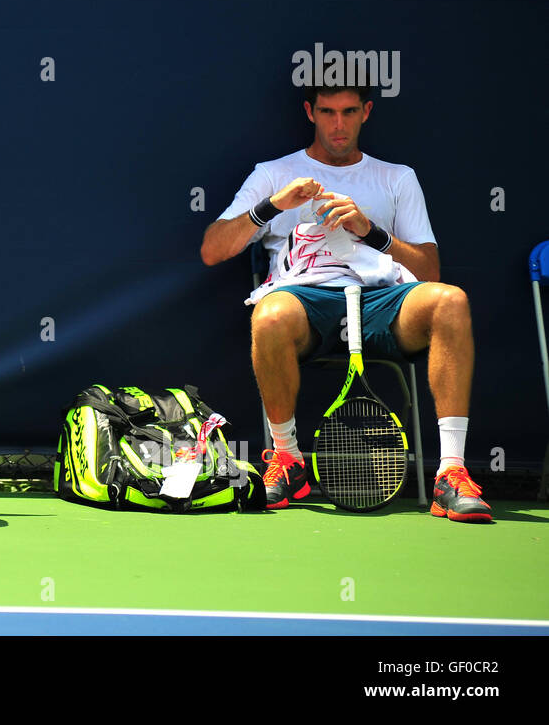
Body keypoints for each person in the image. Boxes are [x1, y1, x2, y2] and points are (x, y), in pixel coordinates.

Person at [200, 84, 492, 523]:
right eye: (328, 111)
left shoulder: (397, 177)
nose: (338, 124)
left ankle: (451, 474)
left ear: (366, 112)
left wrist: (370, 230)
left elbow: (430, 270)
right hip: (305, 298)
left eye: (349, 111)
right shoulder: (273, 173)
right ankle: (288, 461)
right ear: (309, 112)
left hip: (382, 299)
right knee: (270, 314)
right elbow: (212, 249)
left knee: (450, 301)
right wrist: (272, 207)